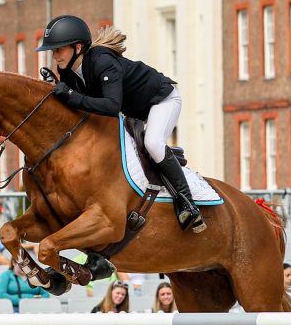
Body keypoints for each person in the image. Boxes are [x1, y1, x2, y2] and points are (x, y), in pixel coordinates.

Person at [37, 14, 203, 232]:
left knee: (153, 142)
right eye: (53, 51)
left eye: (58, 49)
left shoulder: (102, 62)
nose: (54, 56)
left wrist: (69, 94)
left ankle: (187, 203)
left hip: (162, 100)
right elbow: (78, 106)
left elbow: (111, 106)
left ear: (77, 47)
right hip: (135, 110)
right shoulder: (67, 72)